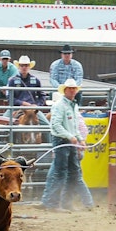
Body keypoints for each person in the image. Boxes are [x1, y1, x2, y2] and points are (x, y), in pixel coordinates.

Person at [40, 78, 93, 212]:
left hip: (69, 141)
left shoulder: (72, 105)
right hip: (62, 141)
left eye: (74, 88)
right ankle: (53, 204)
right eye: (70, 88)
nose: (73, 91)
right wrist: (70, 136)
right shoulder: (60, 105)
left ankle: (64, 203)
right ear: (65, 90)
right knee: (61, 172)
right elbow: (56, 125)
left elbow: (73, 125)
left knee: (72, 172)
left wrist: (79, 138)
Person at [4, 56, 49, 128]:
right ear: (19, 66)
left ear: (29, 67)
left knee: (47, 126)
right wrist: (22, 103)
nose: (24, 67)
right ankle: (0, 139)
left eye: (26, 65)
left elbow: (42, 95)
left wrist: (37, 105)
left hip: (32, 109)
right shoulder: (12, 80)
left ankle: (48, 139)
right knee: (2, 124)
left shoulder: (36, 80)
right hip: (16, 107)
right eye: (22, 65)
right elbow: (9, 98)